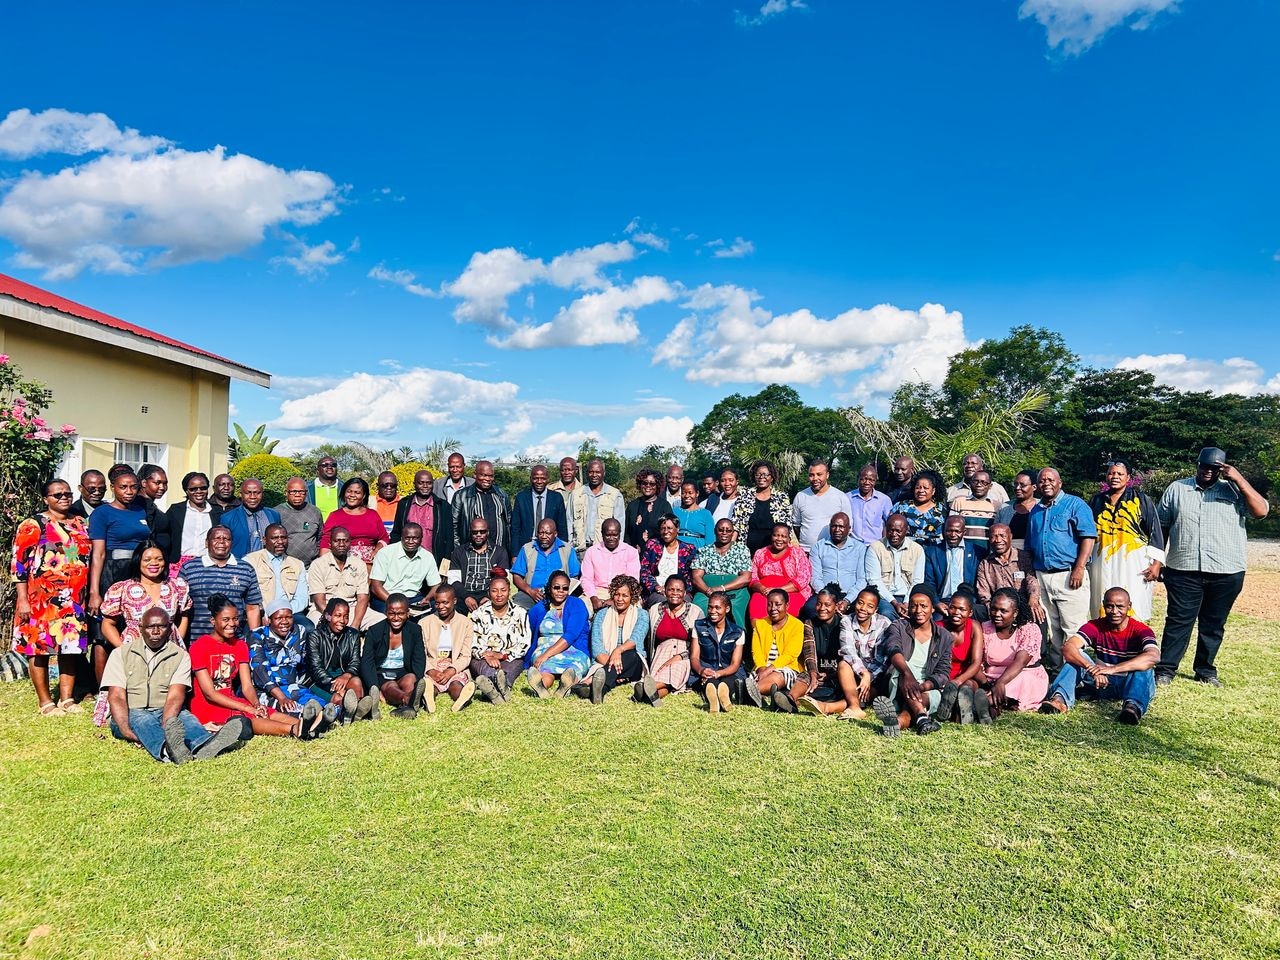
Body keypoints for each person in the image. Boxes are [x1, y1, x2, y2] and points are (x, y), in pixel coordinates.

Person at [1155, 447, 1269, 687]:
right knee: (1178, 621)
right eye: (1204, 466)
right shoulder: (1177, 489)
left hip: (1226, 571)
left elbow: (1261, 511)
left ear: (1222, 469)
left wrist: (1238, 479)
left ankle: (1205, 670)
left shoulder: (1234, 490)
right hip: (1183, 569)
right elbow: (1161, 526)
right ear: (1197, 464)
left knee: (1213, 624)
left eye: (1214, 468)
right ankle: (1165, 669)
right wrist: (1157, 561)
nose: (1208, 471)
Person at [103, 606, 249, 763]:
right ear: (141, 628)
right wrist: (125, 730)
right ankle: (168, 750)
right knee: (143, 720)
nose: (156, 631)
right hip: (130, 712)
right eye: (151, 627)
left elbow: (176, 696)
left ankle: (205, 745)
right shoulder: (120, 654)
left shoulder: (180, 656)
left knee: (185, 718)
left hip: (165, 709)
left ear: (170, 628)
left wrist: (168, 726)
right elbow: (116, 697)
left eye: (162, 626)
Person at [11, 479, 91, 716]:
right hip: (41, 599)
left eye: (67, 493)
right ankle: (45, 702)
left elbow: (74, 556)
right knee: (39, 648)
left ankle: (67, 699)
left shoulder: (79, 523)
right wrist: (23, 599)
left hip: (72, 599)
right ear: (46, 498)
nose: (64, 497)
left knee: (70, 648)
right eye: (57, 495)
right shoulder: (33, 524)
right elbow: (19, 564)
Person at [188, 594, 305, 737]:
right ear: (213, 621)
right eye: (226, 619)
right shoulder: (199, 647)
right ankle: (293, 730)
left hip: (232, 699)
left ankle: (305, 724)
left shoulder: (240, 646)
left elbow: (247, 686)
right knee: (247, 718)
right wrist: (247, 708)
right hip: (209, 705)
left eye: (235, 618)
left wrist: (256, 705)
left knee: (267, 712)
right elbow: (209, 693)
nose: (232, 624)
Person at [1040, 587, 1158, 725]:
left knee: (1145, 668)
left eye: (1120, 607)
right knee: (1076, 658)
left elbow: (1153, 656)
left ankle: (1132, 708)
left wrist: (1112, 669)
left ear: (1129, 606)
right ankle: (1059, 700)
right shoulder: (1095, 626)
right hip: (1100, 681)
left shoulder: (1140, 629)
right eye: (1109, 606)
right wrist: (1092, 669)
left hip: (1129, 683)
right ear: (1103, 605)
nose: (1114, 611)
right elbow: (1068, 648)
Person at [1025, 467, 1096, 676]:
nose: (1046, 483)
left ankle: (1075, 674)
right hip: (1043, 576)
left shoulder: (1075, 505)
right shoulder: (1035, 511)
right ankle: (1056, 671)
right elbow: (1030, 545)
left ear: (1060, 482)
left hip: (1069, 575)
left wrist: (1079, 568)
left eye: (1051, 479)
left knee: (1073, 628)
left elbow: (1088, 537)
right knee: (1052, 629)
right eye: (1042, 480)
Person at [99, 541, 192, 684]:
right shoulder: (123, 588)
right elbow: (107, 624)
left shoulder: (176, 586)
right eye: (147, 559)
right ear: (138, 561)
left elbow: (184, 616)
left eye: (159, 559)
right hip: (134, 650)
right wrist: (123, 649)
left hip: (169, 651)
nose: (154, 563)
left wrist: (176, 642)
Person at [1086, 460, 1165, 622]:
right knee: (1102, 603)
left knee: (1133, 603)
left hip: (1133, 563)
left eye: (1120, 474)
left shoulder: (1141, 500)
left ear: (1128, 477)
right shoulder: (1096, 501)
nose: (1115, 477)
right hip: (1101, 562)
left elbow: (1155, 531)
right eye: (1111, 473)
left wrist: (1157, 564)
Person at [870, 584, 950, 737]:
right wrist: (908, 675)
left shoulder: (944, 636)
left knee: (919, 701)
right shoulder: (899, 626)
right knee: (903, 669)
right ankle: (921, 715)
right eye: (913, 606)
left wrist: (924, 686)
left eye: (924, 606)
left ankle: (899, 723)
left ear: (933, 608)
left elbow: (943, 672)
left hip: (926, 687)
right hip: (899, 680)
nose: (918, 610)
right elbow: (892, 649)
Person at [248, 601, 327, 736]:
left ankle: (324, 716)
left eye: (288, 617)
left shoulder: (299, 631)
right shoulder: (257, 635)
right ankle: (310, 722)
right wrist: (281, 697)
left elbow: (305, 662)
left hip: (293, 686)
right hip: (267, 689)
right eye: (278, 618)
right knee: (289, 708)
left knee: (319, 703)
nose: (284, 622)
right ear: (269, 620)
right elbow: (259, 670)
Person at [975, 587, 1049, 718]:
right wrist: (987, 683)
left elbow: (1020, 662)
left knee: (1022, 679)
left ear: (1015, 613)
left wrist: (1000, 683)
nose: (997, 614)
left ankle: (985, 703)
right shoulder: (985, 628)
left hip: (1023, 675)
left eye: (1003, 611)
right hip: (991, 677)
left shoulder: (1029, 629)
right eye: (993, 609)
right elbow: (977, 661)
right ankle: (992, 708)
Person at [87, 470, 151, 619]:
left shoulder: (140, 511)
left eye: (133, 487)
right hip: (113, 570)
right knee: (111, 617)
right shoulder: (102, 513)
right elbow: (98, 554)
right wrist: (94, 592)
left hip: (138, 570)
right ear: (112, 487)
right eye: (123, 487)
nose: (129, 492)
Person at [182, 526, 263, 642]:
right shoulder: (189, 568)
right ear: (206, 543)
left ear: (231, 543)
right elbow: (181, 608)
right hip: (196, 642)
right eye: (216, 538)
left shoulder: (246, 569)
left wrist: (255, 640)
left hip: (234, 643)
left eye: (226, 539)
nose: (221, 542)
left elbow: (252, 608)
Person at [584, 574, 649, 705]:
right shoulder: (602, 614)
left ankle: (591, 683)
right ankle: (600, 688)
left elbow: (635, 640)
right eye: (617, 594)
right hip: (605, 661)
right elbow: (597, 648)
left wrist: (617, 651)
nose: (620, 599)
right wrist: (613, 666)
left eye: (625, 595)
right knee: (610, 669)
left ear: (632, 597)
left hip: (633, 663)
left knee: (631, 654)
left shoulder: (642, 615)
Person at [637, 574, 701, 706]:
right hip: (662, 650)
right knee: (661, 676)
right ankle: (653, 696)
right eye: (671, 589)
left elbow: (700, 643)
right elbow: (649, 638)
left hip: (685, 651)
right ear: (664, 591)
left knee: (675, 672)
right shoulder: (655, 609)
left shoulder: (696, 611)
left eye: (679, 590)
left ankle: (645, 689)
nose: (675, 593)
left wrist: (680, 656)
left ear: (685, 593)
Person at [359, 594, 427, 719]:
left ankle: (410, 699)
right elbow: (367, 662)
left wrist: (417, 678)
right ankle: (408, 700)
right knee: (391, 686)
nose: (396, 618)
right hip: (382, 673)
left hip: (402, 671)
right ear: (386, 613)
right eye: (392, 614)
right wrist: (375, 688)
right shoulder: (375, 631)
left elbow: (419, 659)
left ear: (408, 613)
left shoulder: (415, 630)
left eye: (400, 614)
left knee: (411, 678)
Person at [525, 571, 592, 698]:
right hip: (544, 647)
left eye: (565, 588)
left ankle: (565, 686)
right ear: (550, 588)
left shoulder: (577, 604)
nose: (561, 591)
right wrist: (541, 655)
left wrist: (546, 655)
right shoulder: (540, 608)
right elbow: (531, 629)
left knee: (573, 668)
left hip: (573, 648)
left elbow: (571, 635)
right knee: (545, 669)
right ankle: (541, 687)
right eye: (556, 587)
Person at [793, 584, 856, 718]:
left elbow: (847, 654)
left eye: (827, 605)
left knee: (843, 688)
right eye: (819, 604)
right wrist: (813, 673)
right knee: (804, 677)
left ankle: (816, 701)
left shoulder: (844, 623)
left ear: (836, 606)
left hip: (837, 674)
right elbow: (809, 652)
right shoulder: (810, 623)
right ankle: (790, 699)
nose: (822, 608)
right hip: (816, 671)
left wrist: (830, 675)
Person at [468, 575, 532, 705]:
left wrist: (502, 655)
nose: (499, 595)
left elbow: (525, 642)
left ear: (509, 591)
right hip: (484, 658)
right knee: (480, 665)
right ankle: (495, 687)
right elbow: (472, 641)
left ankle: (499, 687)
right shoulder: (479, 614)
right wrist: (486, 655)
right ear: (488, 593)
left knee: (512, 666)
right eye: (494, 591)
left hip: (510, 657)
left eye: (503, 590)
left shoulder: (520, 613)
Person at [304, 598, 369, 722]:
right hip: (320, 681)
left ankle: (356, 709)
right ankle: (350, 711)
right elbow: (316, 669)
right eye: (338, 616)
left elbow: (355, 661)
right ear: (328, 616)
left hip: (343, 677)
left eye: (346, 616)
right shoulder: (314, 636)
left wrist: (347, 675)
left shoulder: (353, 635)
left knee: (356, 681)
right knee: (338, 698)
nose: (342, 620)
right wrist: (334, 685)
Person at [419, 585, 476, 713]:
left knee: (456, 687)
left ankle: (462, 698)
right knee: (430, 686)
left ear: (454, 601)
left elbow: (466, 655)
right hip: (433, 665)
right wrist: (431, 670)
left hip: (455, 665)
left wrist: (451, 670)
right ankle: (428, 698)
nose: (441, 606)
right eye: (437, 603)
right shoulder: (424, 623)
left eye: (445, 602)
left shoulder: (465, 623)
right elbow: (421, 654)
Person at [837, 586, 892, 720]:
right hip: (856, 674)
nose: (863, 608)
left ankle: (826, 707)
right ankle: (855, 707)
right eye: (860, 603)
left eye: (870, 606)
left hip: (877, 678)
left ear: (876, 610)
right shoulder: (846, 621)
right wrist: (863, 673)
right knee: (843, 664)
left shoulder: (884, 624)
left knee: (864, 693)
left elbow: (882, 660)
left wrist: (868, 677)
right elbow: (848, 651)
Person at [749, 588, 807, 711]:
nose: (773, 608)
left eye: (778, 604)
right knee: (754, 676)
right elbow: (756, 652)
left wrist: (768, 671)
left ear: (787, 605)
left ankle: (752, 692)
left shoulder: (797, 625)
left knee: (779, 675)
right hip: (762, 668)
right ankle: (755, 692)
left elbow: (790, 655)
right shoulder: (760, 624)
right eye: (769, 604)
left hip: (786, 667)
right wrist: (762, 668)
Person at [974, 523, 1044, 625]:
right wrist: (994, 610)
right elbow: (983, 593)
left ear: (1010, 537)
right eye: (993, 536)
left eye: (1002, 536)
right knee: (976, 610)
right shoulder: (985, 564)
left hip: (1021, 605)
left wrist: (1033, 600)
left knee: (1037, 612)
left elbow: (1032, 581)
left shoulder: (1024, 557)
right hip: (997, 607)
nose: (998, 540)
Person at [932, 590, 985, 723]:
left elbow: (976, 662)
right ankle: (957, 709)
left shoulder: (974, 626)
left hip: (965, 675)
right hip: (943, 675)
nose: (956, 612)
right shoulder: (938, 627)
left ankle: (963, 705)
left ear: (970, 613)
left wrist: (957, 681)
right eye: (953, 607)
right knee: (953, 691)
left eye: (962, 609)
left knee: (968, 686)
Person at [369, 522, 441, 619]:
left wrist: (426, 599)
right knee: (388, 617)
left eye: (415, 538)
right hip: (387, 597)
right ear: (401, 537)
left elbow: (436, 585)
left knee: (439, 609)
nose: (411, 541)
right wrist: (396, 603)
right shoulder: (385, 553)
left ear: (421, 538)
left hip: (414, 598)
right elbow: (375, 587)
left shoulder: (427, 556)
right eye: (407, 538)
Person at [804, 512, 868, 621]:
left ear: (849, 529)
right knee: (809, 608)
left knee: (861, 610)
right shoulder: (818, 547)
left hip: (851, 594)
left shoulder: (860, 548)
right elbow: (815, 578)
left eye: (841, 526)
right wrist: (827, 598)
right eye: (834, 526)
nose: (837, 529)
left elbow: (862, 580)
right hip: (825, 592)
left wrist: (847, 600)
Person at [690, 591, 746, 712]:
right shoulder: (699, 626)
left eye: (717, 607)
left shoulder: (738, 631)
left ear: (727, 609)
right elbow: (694, 657)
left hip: (730, 671)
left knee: (728, 682)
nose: (712, 611)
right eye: (710, 607)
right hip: (708, 668)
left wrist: (719, 673)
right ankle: (713, 700)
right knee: (710, 681)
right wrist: (701, 670)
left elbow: (735, 664)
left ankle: (724, 696)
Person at [690, 518, 752, 626]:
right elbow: (696, 577)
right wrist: (708, 591)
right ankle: (702, 633)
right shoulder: (705, 550)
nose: (724, 533)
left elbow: (746, 577)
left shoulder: (742, 550)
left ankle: (736, 634)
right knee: (700, 606)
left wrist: (722, 588)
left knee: (733, 607)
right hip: (707, 591)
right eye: (721, 530)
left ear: (732, 533)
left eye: (728, 530)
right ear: (715, 531)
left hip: (735, 591)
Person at [306, 527, 371, 629]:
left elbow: (362, 598)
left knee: (380, 621)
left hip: (352, 609)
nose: (341, 544)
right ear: (330, 543)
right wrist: (334, 619)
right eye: (337, 541)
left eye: (345, 541)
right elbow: (319, 601)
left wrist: (355, 624)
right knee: (316, 624)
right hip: (325, 611)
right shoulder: (318, 564)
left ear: (350, 543)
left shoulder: (359, 564)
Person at [244, 524, 310, 625]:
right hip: (261, 614)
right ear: (264, 540)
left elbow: (302, 598)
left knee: (308, 627)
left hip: (291, 612)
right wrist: (264, 613)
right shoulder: (250, 561)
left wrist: (283, 612)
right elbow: (246, 597)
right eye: (275, 538)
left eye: (283, 538)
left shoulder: (297, 564)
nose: (280, 542)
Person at [747, 522, 812, 622]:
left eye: (783, 536)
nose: (779, 539)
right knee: (756, 606)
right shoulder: (760, 553)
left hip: (791, 591)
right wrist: (762, 588)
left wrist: (778, 590)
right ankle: (760, 632)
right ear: (771, 536)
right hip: (764, 592)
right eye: (776, 535)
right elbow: (753, 577)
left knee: (786, 609)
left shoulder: (797, 553)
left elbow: (804, 577)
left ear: (789, 539)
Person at [512, 518, 582, 610]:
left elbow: (574, 577)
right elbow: (517, 576)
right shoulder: (527, 549)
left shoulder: (567, 549)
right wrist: (530, 591)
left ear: (555, 534)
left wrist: (562, 593)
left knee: (576, 607)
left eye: (548, 533)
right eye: (541, 533)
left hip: (560, 594)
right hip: (533, 593)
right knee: (516, 606)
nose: (544, 536)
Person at [865, 514, 926, 620]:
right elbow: (874, 581)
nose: (894, 534)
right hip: (884, 597)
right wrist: (894, 602)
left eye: (898, 531)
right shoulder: (875, 548)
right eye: (890, 530)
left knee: (920, 614)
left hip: (908, 595)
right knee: (886, 613)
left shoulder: (917, 550)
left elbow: (917, 581)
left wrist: (906, 602)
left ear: (906, 530)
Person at [390, 469, 454, 564]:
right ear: (414, 484)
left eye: (429, 483)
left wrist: (445, 565)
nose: (425, 486)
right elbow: (396, 533)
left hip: (433, 561)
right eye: (421, 483)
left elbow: (449, 539)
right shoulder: (404, 504)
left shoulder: (443, 506)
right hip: (407, 560)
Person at [320, 477, 387, 568]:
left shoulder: (373, 515)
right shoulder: (335, 516)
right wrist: (326, 565)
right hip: (344, 564)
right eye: (349, 491)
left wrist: (377, 551)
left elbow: (384, 538)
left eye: (357, 492)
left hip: (371, 564)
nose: (352, 495)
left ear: (364, 496)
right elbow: (325, 541)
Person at [923, 516, 981, 618]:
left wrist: (972, 601)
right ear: (943, 531)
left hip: (968, 601)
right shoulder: (932, 552)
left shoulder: (977, 552)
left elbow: (979, 582)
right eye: (949, 531)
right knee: (937, 622)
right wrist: (936, 603)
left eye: (957, 531)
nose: (953, 535)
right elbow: (929, 582)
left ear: (964, 532)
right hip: (943, 601)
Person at [579, 518, 641, 613]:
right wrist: (593, 597)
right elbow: (586, 579)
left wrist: (614, 599)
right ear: (602, 534)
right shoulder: (591, 552)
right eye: (607, 535)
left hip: (622, 592)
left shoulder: (631, 552)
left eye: (615, 535)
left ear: (620, 534)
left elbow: (632, 581)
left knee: (635, 610)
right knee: (580, 607)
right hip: (597, 591)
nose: (611, 538)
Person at [448, 518, 510, 612]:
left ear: (487, 532)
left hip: (489, 594)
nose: (478, 535)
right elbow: (453, 579)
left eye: (482, 532)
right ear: (470, 532)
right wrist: (466, 597)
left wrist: (488, 597)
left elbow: (503, 578)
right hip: (464, 594)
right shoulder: (459, 552)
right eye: (475, 532)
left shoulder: (499, 552)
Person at [567, 457, 626, 556]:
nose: (594, 475)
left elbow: (620, 525)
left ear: (604, 473)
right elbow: (569, 522)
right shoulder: (576, 494)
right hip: (580, 551)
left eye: (598, 472)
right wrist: (569, 548)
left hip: (604, 550)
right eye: (591, 472)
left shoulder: (614, 495)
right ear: (587, 473)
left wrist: (617, 551)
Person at [732, 460, 793, 555]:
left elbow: (787, 527)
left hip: (773, 551)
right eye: (758, 474)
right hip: (746, 550)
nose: (761, 477)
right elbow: (736, 525)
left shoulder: (781, 497)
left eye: (765, 474)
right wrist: (731, 547)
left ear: (772, 477)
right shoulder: (744, 496)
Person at [452, 460, 512, 553]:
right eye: (484, 475)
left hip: (499, 552)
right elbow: (453, 526)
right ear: (475, 475)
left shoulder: (502, 495)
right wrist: (459, 551)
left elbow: (509, 523)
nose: (487, 479)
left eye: (490, 476)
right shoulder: (461, 496)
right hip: (472, 552)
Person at [791, 459, 849, 554]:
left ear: (827, 475)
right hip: (807, 552)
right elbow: (796, 525)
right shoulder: (800, 496)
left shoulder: (840, 497)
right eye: (811, 475)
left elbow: (848, 526)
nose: (815, 478)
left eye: (819, 474)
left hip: (832, 551)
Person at [165, 471, 221, 569]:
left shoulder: (217, 513)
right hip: (178, 564)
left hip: (207, 564)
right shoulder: (175, 511)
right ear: (186, 491)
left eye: (203, 488)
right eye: (193, 489)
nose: (198, 491)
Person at [640, 515, 697, 605]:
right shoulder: (653, 545)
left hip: (679, 590)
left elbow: (690, 576)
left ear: (677, 529)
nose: (666, 531)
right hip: (658, 590)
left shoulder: (688, 549)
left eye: (669, 528)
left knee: (683, 603)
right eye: (663, 528)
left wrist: (679, 590)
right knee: (662, 603)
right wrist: (656, 587)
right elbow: (645, 572)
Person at [511, 464, 568, 552]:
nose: (539, 481)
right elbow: (515, 528)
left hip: (550, 547)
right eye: (535, 478)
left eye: (543, 478)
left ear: (548, 479)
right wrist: (514, 553)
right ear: (531, 479)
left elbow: (562, 527)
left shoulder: (556, 498)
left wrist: (563, 550)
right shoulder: (521, 498)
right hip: (526, 547)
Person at [220, 479, 280, 561]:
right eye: (248, 493)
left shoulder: (273, 515)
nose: (253, 497)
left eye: (257, 493)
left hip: (269, 565)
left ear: (263, 494)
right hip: (241, 565)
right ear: (240, 494)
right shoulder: (228, 518)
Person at [949, 470, 1000, 558]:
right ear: (970, 484)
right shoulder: (959, 502)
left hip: (987, 553)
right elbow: (951, 528)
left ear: (990, 486)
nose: (979, 485)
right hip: (963, 553)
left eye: (983, 482)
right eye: (975, 481)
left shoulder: (997, 506)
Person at [889, 470, 948, 546]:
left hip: (933, 550)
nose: (921, 491)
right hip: (906, 549)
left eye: (925, 488)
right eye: (917, 488)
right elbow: (889, 527)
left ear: (933, 491)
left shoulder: (942, 510)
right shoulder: (901, 507)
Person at [278, 476, 323, 566]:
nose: (297, 495)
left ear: (306, 493)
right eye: (293, 491)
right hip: (286, 565)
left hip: (311, 566)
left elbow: (320, 537)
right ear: (286, 493)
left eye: (301, 492)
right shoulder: (277, 512)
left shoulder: (315, 511)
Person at [994, 470, 1039, 552]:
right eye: (1015, 484)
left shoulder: (1042, 507)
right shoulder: (1005, 507)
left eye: (1022, 485)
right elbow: (995, 535)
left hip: (1035, 554)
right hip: (1008, 555)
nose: (1017, 488)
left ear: (1034, 487)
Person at [847, 464, 892, 546]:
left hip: (875, 545)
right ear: (858, 479)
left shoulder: (884, 500)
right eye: (863, 479)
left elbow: (889, 523)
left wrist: (884, 544)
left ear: (875, 481)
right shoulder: (847, 498)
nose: (867, 483)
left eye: (871, 480)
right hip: (853, 545)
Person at [136, 464, 173, 555]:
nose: (162, 487)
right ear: (144, 483)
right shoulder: (142, 505)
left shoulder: (150, 505)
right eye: (157, 483)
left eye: (165, 483)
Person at [625, 467, 666, 549]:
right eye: (645, 483)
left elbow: (669, 532)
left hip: (656, 553)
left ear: (657, 486)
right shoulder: (632, 506)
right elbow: (626, 532)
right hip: (633, 553)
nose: (648, 486)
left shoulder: (664, 506)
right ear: (640, 484)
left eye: (652, 484)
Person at [547, 456, 580, 547]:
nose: (566, 473)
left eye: (570, 470)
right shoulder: (550, 489)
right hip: (555, 540)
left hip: (578, 541)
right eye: (563, 470)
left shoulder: (583, 490)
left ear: (576, 470)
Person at [673, 480, 715, 549]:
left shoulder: (706, 514)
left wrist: (707, 552)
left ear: (697, 493)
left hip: (698, 549)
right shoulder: (675, 511)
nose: (686, 496)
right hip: (677, 548)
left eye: (690, 493)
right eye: (683, 493)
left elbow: (710, 539)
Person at [306, 456, 340, 520]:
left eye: (333, 465)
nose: (329, 467)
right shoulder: (306, 488)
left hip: (340, 526)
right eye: (325, 465)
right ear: (317, 470)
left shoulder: (345, 487)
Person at [372, 471, 401, 539]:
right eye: (385, 485)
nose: (389, 488)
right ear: (377, 486)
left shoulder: (404, 503)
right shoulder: (368, 503)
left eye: (393, 485)